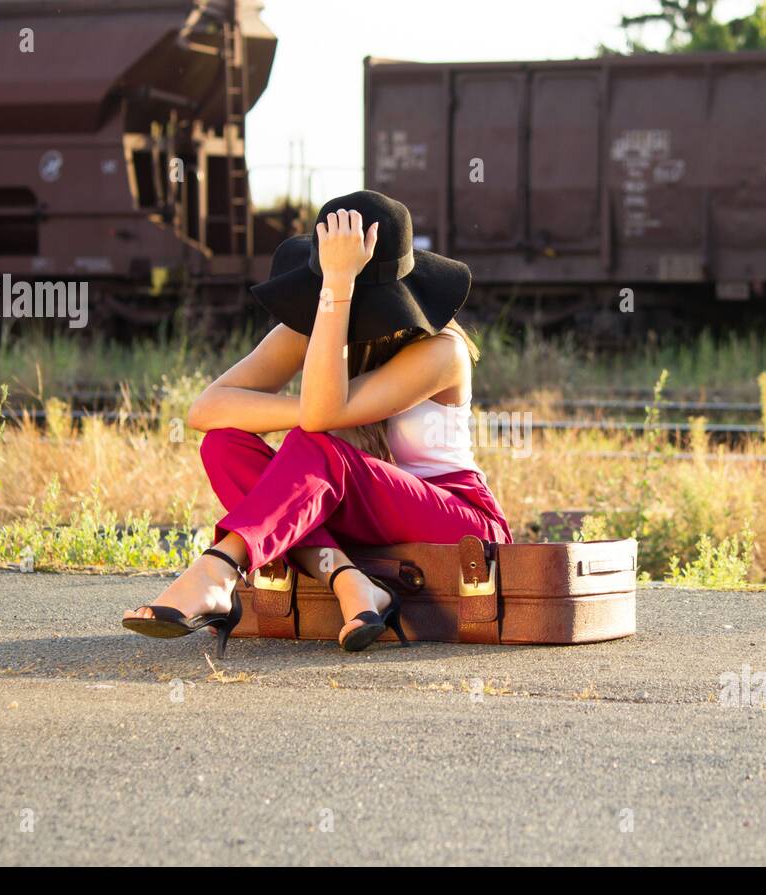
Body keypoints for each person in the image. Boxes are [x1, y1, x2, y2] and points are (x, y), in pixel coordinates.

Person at [122, 190, 511, 654]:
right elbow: (206, 410)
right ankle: (349, 580)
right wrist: (333, 298)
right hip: (355, 514)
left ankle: (218, 569)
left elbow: (322, 417)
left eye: (339, 284)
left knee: (316, 443)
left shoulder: (442, 352)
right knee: (225, 444)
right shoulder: (317, 324)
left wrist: (340, 284)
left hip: (458, 521)